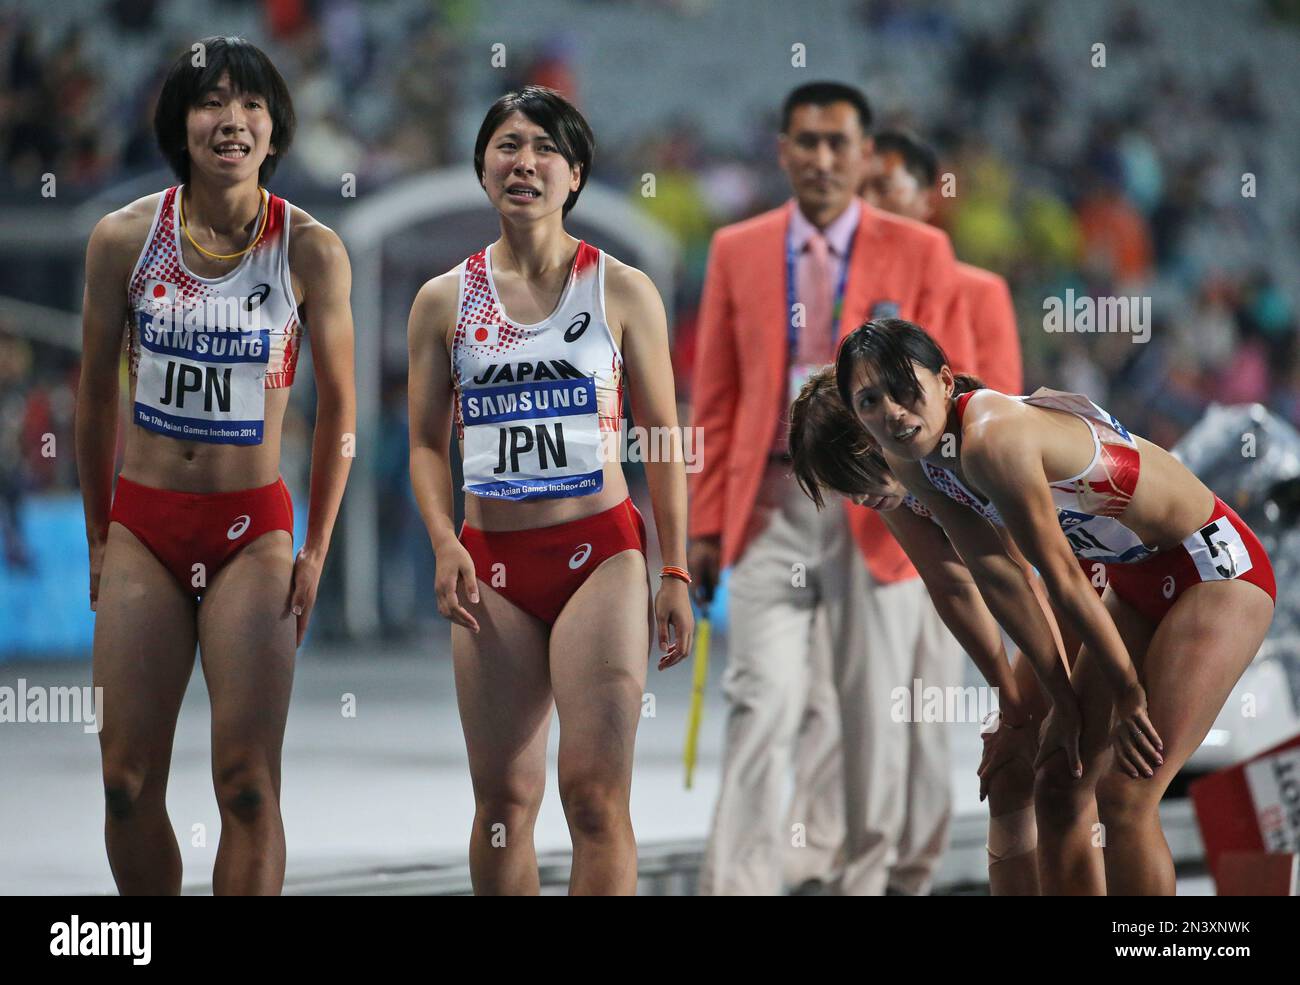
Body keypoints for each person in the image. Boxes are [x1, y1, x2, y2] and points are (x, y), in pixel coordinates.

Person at [835, 318, 1276, 895]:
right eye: (870, 401)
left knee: (1125, 794)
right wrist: (1055, 702)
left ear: (945, 381)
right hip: (1134, 578)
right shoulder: (909, 461)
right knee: (1060, 784)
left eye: (904, 390)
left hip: (1212, 568)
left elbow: (1062, 577)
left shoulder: (992, 435)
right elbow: (998, 581)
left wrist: (1124, 690)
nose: (893, 412)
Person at [75, 37, 356, 895]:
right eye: (210, 102)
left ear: (275, 132)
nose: (230, 119)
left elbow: (342, 410)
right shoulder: (123, 239)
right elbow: (93, 398)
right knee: (124, 782)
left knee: (244, 782)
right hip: (145, 527)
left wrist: (314, 549)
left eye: (251, 106)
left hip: (251, 535)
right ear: (180, 124)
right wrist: (99, 534)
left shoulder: (310, 251)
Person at [689, 80, 975, 896]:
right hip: (771, 505)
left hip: (877, 501)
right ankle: (735, 884)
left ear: (864, 154)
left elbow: (945, 386)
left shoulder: (921, 253)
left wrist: (932, 499)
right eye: (805, 142)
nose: (820, 158)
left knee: (871, 711)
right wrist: (706, 526)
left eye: (837, 144)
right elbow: (713, 396)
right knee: (760, 701)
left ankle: (866, 880)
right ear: (782, 150)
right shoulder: (737, 249)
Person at [407, 86, 693, 896]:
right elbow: (426, 445)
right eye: (506, 144)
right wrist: (442, 540)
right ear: (483, 167)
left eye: (543, 148)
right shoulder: (442, 301)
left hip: (599, 554)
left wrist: (673, 569)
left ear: (574, 175)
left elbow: (664, 439)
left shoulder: (622, 289)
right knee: (504, 801)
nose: (522, 160)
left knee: (596, 799)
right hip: (490, 562)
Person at [863, 129, 1023, 395]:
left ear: (926, 199)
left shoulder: (981, 293)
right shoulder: (829, 282)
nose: (867, 203)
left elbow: (1000, 406)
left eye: (883, 187)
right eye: (857, 190)